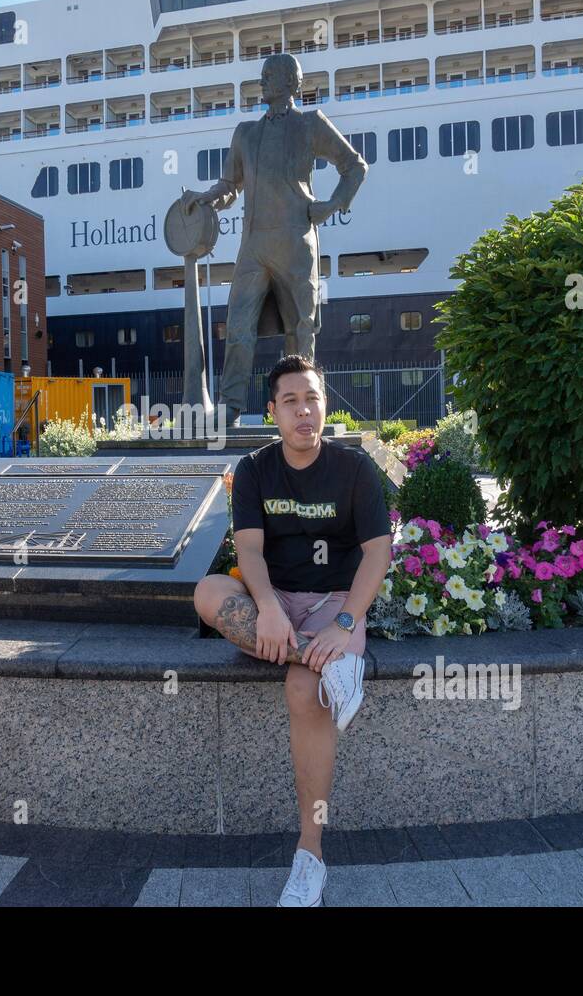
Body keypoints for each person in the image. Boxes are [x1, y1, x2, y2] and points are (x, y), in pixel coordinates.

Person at [193, 355, 392, 908]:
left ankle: (310, 856)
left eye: (312, 399)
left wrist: (348, 622)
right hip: (275, 605)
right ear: (271, 412)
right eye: (291, 402)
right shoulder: (256, 469)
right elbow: (249, 550)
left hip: (335, 604)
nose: (304, 412)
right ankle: (329, 663)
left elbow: (378, 554)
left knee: (303, 691)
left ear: (324, 405)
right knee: (208, 592)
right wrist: (268, 607)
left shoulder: (353, 468)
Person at [184, 53, 367, 424]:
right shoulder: (245, 133)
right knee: (238, 326)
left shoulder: (311, 124)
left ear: (291, 82)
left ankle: (303, 412)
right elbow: (229, 186)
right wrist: (207, 198)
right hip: (253, 246)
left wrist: (331, 205)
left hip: (297, 241)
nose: (263, 81)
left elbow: (354, 166)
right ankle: (230, 409)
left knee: (301, 329)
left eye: (270, 75)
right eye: (263, 75)